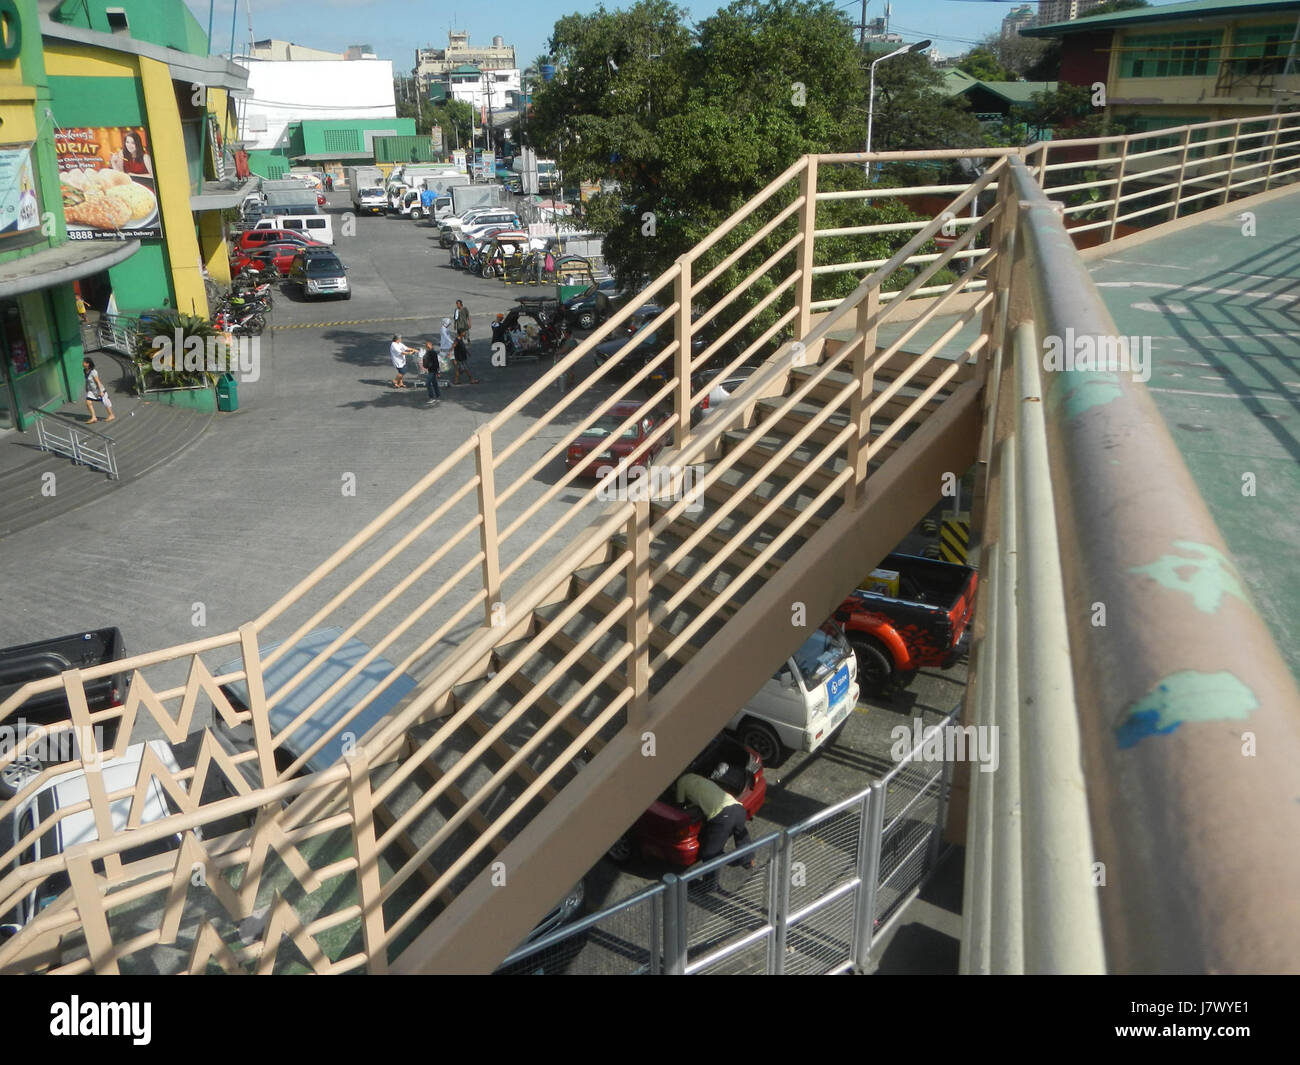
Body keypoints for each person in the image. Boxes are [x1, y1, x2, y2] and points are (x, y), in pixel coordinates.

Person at [676, 767, 755, 885]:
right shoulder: (701, 779)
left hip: (722, 816)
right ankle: (748, 859)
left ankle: (709, 884)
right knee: (740, 835)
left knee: (710, 853)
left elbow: (680, 806)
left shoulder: (681, 782)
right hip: (738, 808)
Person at [83, 357, 115, 423]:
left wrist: (101, 391)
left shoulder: (93, 372)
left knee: (106, 403)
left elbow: (98, 382)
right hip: (91, 390)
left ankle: (111, 415)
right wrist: (86, 387)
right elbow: (87, 380)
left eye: (84, 362)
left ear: (88, 364)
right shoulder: (85, 371)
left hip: (98, 390)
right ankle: (94, 417)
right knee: (88, 402)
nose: (82, 363)